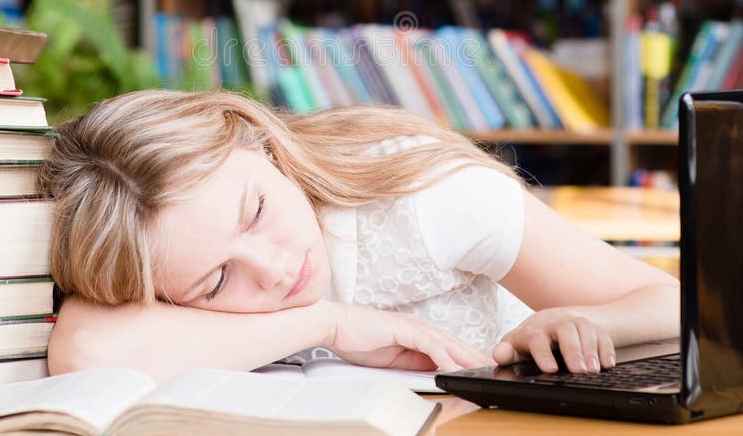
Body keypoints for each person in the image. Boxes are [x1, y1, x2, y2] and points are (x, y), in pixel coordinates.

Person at [39, 89, 679, 383]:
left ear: (257, 141)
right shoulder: (165, 269)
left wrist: (573, 320)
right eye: (216, 281)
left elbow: (673, 305)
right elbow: (84, 354)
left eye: (256, 211)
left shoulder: (425, 198)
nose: (271, 269)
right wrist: (330, 324)